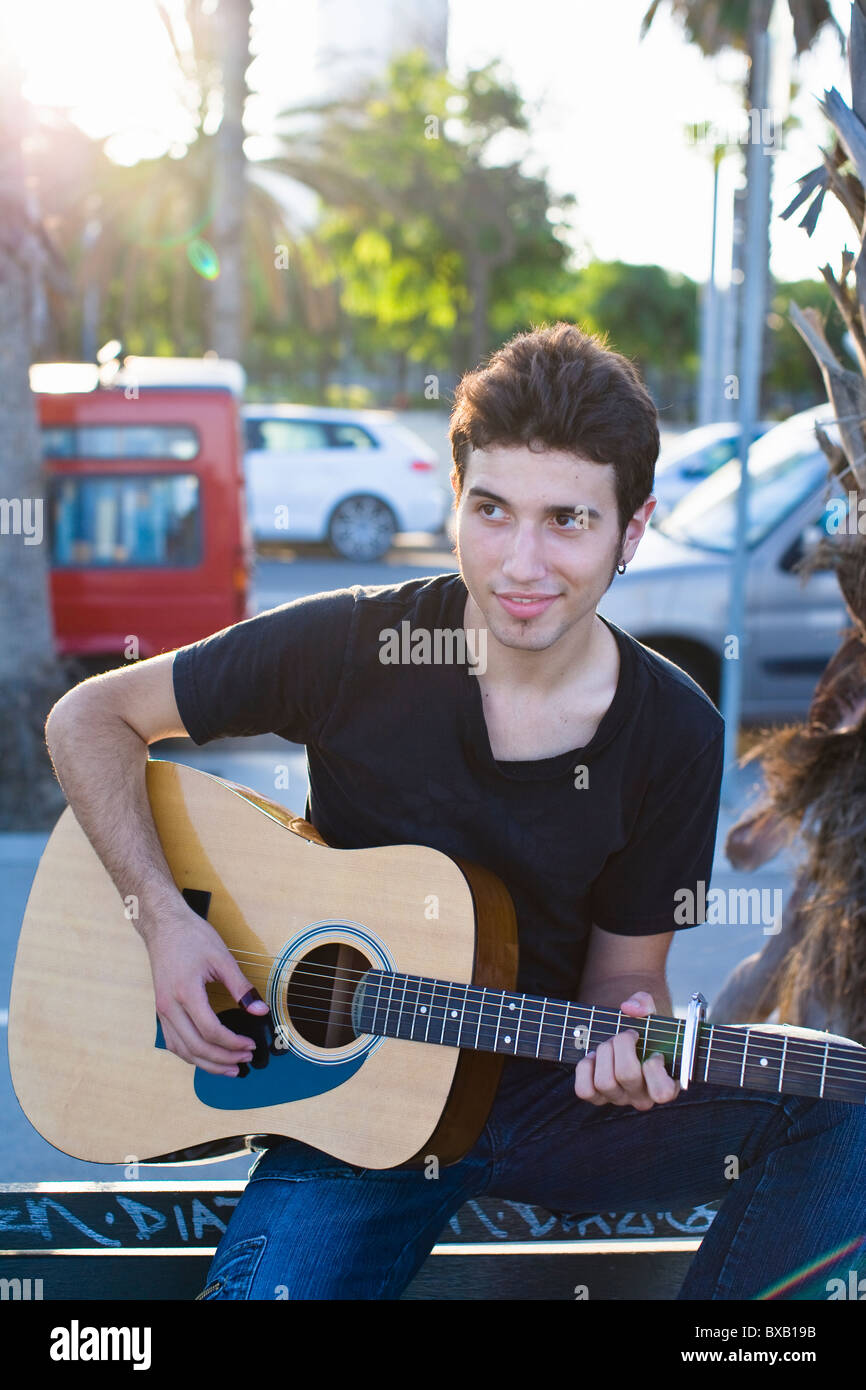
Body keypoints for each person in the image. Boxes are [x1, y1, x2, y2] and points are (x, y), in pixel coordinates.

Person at [44, 322, 866, 1301]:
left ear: (630, 530)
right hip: (350, 1125)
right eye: (492, 510)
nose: (520, 563)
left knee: (836, 1097)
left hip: (553, 1104)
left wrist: (629, 1047)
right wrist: (163, 919)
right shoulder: (348, 645)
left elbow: (621, 983)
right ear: (454, 500)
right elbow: (91, 716)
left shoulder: (672, 733)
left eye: (566, 519)